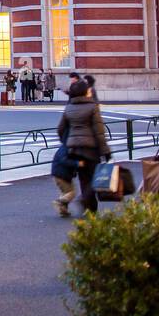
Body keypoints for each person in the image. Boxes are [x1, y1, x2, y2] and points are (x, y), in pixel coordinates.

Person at [56, 78, 110, 215]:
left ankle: (90, 208)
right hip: (91, 148)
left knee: (84, 178)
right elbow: (99, 131)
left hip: (74, 149)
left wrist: (67, 142)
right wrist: (105, 151)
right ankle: (86, 201)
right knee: (94, 178)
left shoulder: (69, 107)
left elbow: (61, 129)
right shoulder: (92, 107)